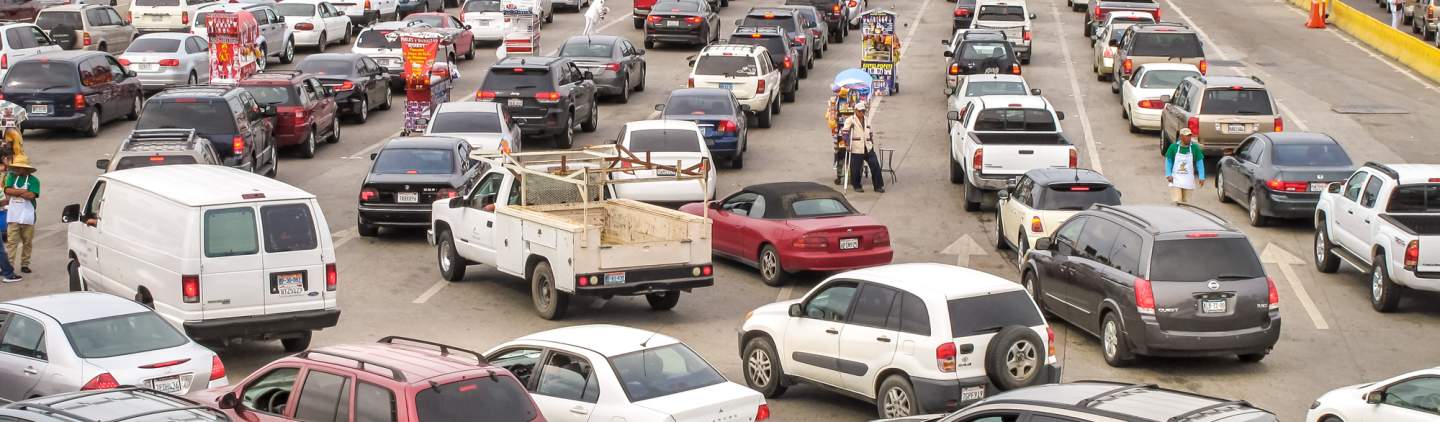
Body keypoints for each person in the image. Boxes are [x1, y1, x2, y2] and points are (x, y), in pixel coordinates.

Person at [841, 101, 885, 193]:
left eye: (863, 111)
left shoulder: (866, 119)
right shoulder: (850, 120)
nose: (862, 113)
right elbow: (845, 133)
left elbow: (870, 131)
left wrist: (871, 141)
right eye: (860, 111)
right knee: (856, 168)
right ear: (856, 111)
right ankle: (857, 186)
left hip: (867, 147)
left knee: (875, 165)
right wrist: (847, 143)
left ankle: (878, 186)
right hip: (856, 147)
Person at [4, 157, 38, 273]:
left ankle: (25, 264)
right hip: (14, 216)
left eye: (19, 167)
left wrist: (15, 192)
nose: (16, 169)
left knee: (27, 242)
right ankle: (9, 265)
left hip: (28, 216)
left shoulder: (34, 180)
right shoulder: (11, 177)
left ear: (25, 169)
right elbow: (7, 191)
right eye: (16, 167)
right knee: (12, 242)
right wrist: (24, 192)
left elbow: (32, 196)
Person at [1164, 128, 1205, 204]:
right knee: (1178, 201)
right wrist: (1168, 174)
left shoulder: (1194, 148)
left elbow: (1199, 162)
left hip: (1188, 180)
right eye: (1187, 136)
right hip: (1176, 180)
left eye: (1190, 136)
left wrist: (1201, 176)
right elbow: (1168, 161)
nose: (1189, 138)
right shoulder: (1173, 147)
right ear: (1181, 137)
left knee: (1186, 203)